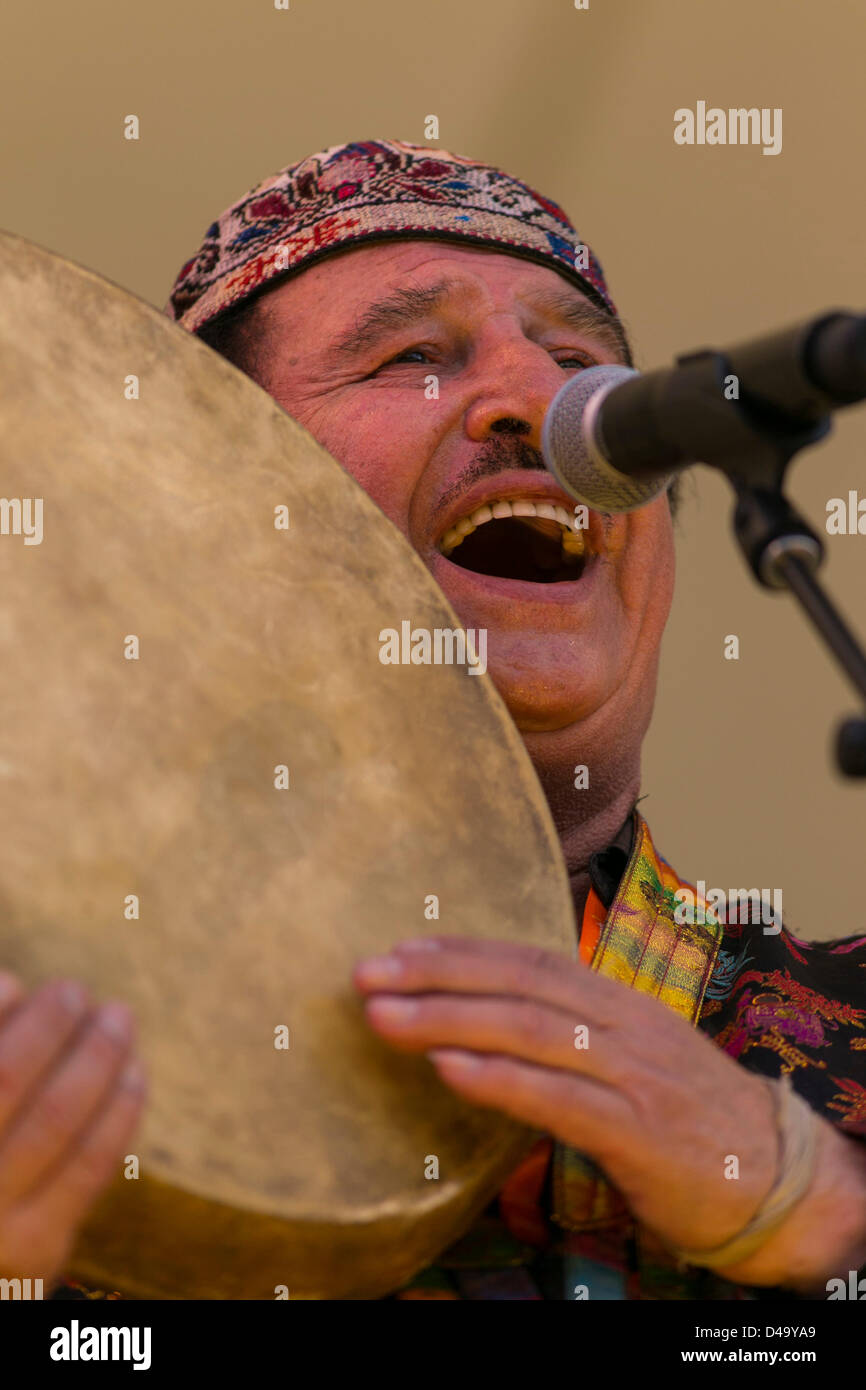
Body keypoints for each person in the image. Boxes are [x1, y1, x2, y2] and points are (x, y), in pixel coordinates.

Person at [4, 139, 865, 1302]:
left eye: (578, 360)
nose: (542, 403)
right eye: (412, 357)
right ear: (203, 506)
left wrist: (816, 1222)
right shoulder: (43, 1043)